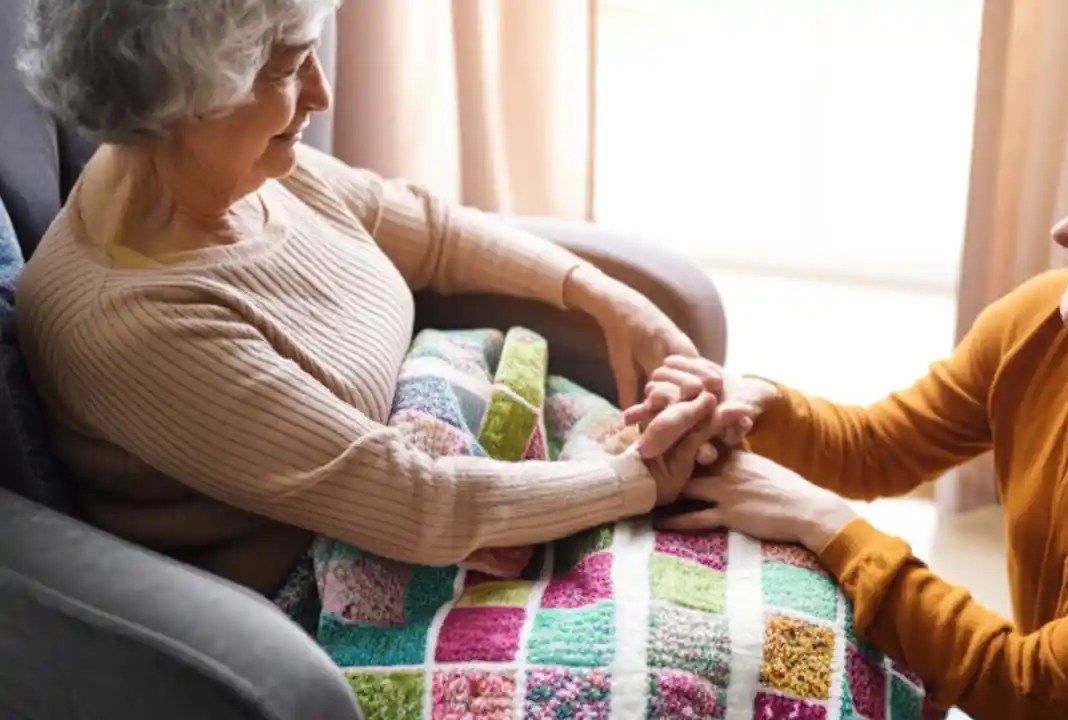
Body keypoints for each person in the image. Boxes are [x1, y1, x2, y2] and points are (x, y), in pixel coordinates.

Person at [14, 0, 721, 596]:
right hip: (337, 592)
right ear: (186, 101)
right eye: (291, 69)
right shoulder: (136, 328)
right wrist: (644, 480)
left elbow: (433, 233)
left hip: (458, 482)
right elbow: (421, 504)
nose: (321, 94)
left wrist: (605, 298)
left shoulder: (230, 172)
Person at [628, 77, 1068, 719]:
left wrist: (819, 520)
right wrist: (746, 401)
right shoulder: (1042, 330)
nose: (1065, 230)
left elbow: (1031, 687)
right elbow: (875, 450)